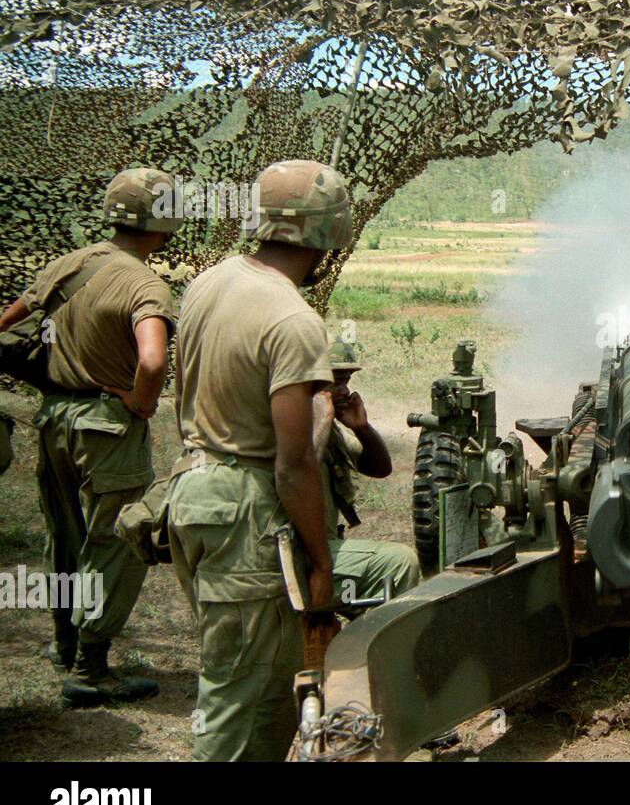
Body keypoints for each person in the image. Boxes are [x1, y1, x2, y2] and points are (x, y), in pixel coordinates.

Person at [167, 159, 349, 761]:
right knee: (246, 701)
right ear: (326, 237)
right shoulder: (293, 319)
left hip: (193, 495)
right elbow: (292, 462)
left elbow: (183, 394)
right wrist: (320, 560)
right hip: (246, 515)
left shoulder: (207, 284)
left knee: (235, 669)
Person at [0, 167, 180, 706]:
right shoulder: (145, 284)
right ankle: (91, 666)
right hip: (106, 427)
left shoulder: (70, 263)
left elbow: (6, 325)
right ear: (164, 223)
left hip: (53, 419)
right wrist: (142, 402)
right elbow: (152, 359)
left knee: (64, 537)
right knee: (118, 542)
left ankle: (64, 641)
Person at [317, 334, 419, 602]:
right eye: (335, 381)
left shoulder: (329, 431)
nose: (344, 391)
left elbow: (379, 468)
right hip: (296, 555)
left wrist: (362, 428)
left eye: (347, 381)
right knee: (399, 565)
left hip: (319, 549)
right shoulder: (294, 427)